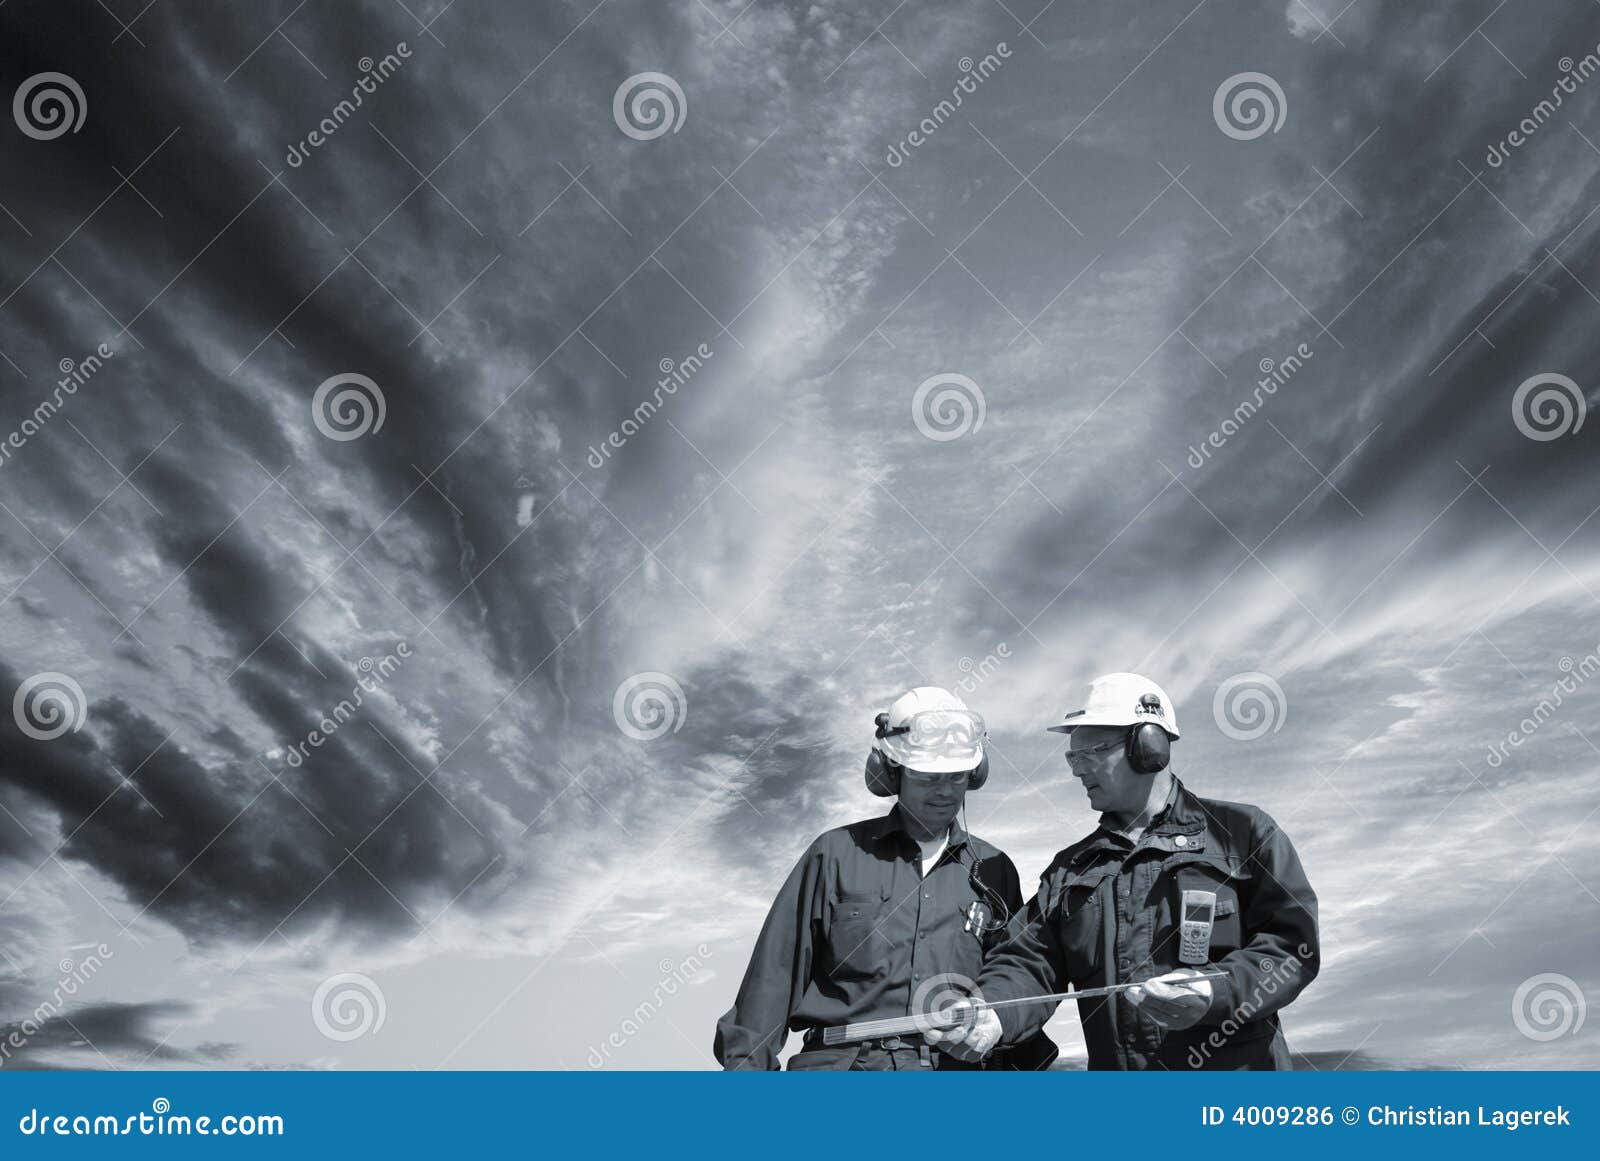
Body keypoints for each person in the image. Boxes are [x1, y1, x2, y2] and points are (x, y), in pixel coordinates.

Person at [927, 673, 1319, 1070]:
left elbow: (1292, 947)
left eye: (1091, 752)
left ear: (1148, 746)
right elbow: (1029, 962)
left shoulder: (1243, 834)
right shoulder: (1070, 871)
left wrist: (1214, 990)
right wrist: (992, 1014)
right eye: (1072, 757)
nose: (1076, 770)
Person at [714, 686, 1058, 1070]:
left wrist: (993, 1022)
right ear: (890, 773)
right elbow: (771, 982)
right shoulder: (834, 855)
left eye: (956, 776)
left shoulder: (995, 869)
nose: (945, 791)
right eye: (928, 777)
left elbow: (1015, 971)